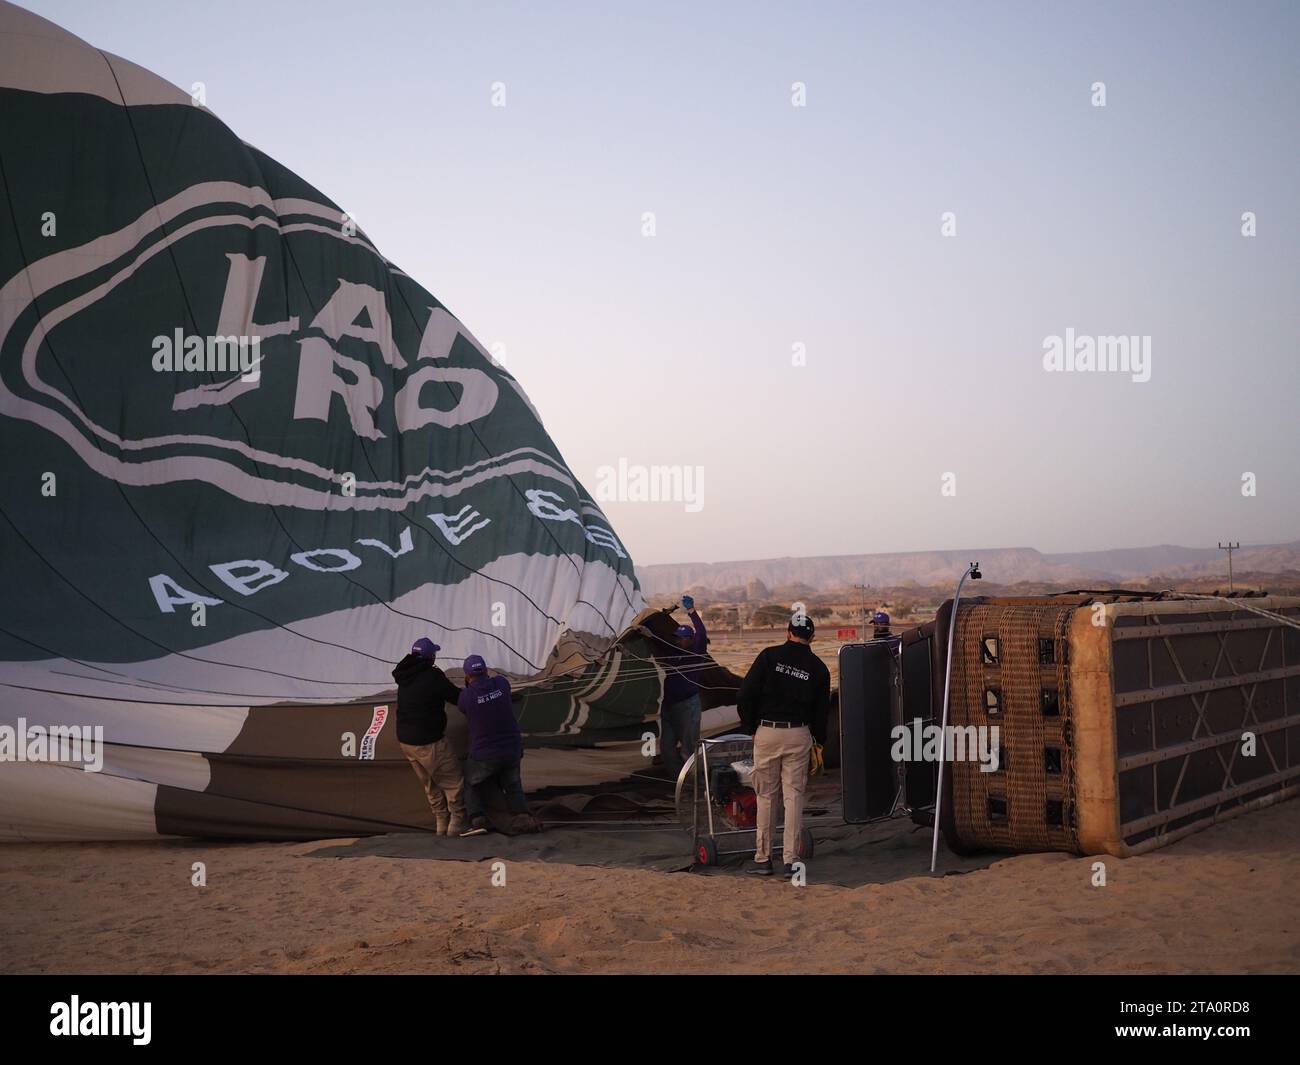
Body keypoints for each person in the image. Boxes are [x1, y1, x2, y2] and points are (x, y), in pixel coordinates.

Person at [737, 613, 831, 878]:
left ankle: (763, 859)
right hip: (799, 734)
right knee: (794, 798)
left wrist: (750, 727)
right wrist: (819, 742)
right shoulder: (819, 668)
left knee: (766, 797)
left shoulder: (768, 656)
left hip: (767, 732)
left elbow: (745, 694)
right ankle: (791, 860)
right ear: (812, 637)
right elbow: (822, 712)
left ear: (787, 632)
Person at [392, 637, 465, 836]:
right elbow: (457, 697)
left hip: (406, 741)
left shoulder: (405, 675)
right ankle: (456, 823)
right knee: (454, 781)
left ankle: (441, 822)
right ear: (430, 657)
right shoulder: (432, 676)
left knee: (430, 783)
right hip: (428, 741)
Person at [456, 655, 531, 836]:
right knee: (513, 785)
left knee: (471, 782)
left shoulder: (466, 696)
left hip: (485, 754)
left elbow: (463, 708)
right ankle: (524, 819)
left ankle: (477, 820)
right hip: (512, 747)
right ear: (486, 670)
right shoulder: (501, 683)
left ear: (466, 676)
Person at [655, 594, 709, 780]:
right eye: (677, 638)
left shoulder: (697, 652)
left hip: (688, 706)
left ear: (691, 639)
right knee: (666, 748)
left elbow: (701, 632)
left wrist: (692, 612)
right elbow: (658, 644)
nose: (678, 641)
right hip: (669, 706)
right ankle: (678, 782)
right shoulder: (672, 654)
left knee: (689, 748)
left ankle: (693, 785)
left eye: (682, 638)